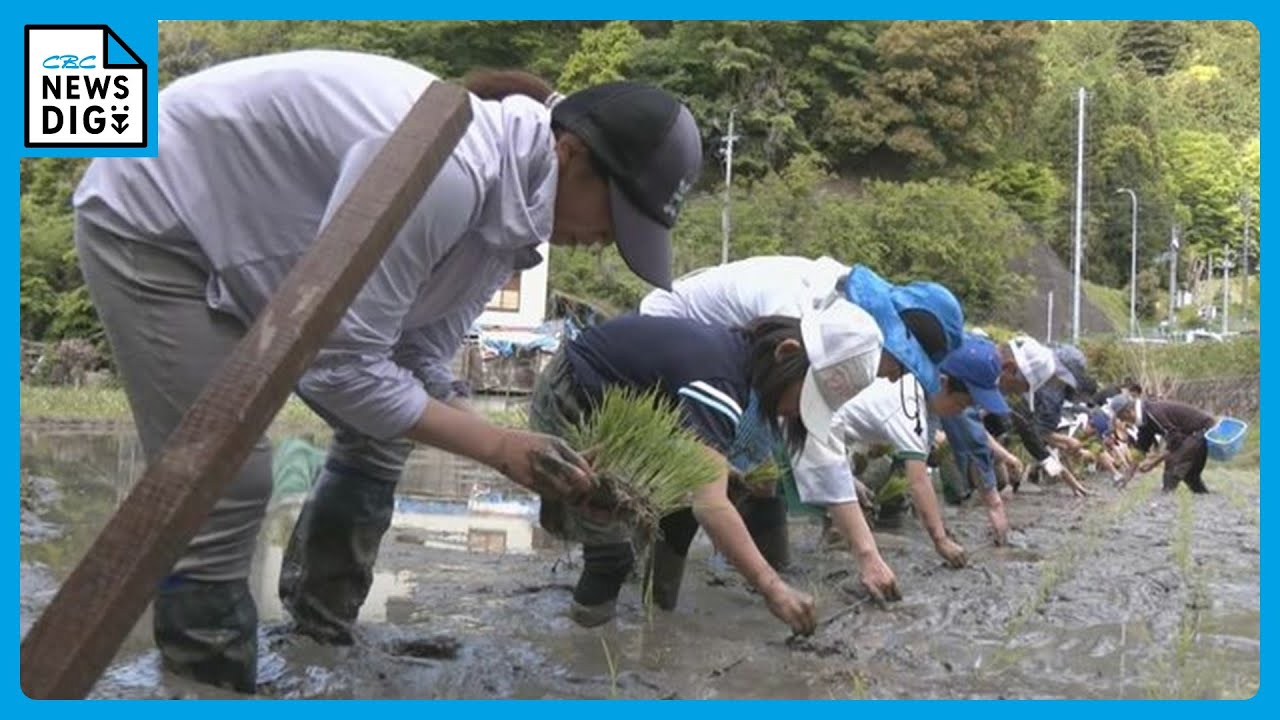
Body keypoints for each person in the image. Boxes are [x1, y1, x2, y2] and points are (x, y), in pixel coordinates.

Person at [71, 50, 704, 693]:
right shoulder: (455, 173)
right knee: (222, 478)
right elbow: (340, 366)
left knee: (381, 433)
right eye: (616, 217)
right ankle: (204, 683)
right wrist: (500, 447)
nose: (607, 241)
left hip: (265, 258)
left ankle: (320, 635)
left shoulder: (508, 215)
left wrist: (532, 454)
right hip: (162, 216)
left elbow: (416, 361)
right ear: (570, 153)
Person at [528, 298, 884, 633]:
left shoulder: (739, 365)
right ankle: (582, 658)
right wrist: (772, 587)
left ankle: (657, 619)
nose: (796, 413)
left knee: (682, 508)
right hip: (574, 400)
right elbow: (711, 506)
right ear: (786, 354)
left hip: (628, 411)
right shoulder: (720, 379)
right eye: (805, 400)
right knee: (612, 550)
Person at [639, 256, 966, 597]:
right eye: (903, 365)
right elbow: (813, 442)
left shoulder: (843, 318)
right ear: (891, 340)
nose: (895, 377)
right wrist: (868, 555)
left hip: (726, 364)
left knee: (762, 474)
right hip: (670, 338)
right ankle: (659, 597)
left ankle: (768, 573)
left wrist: (846, 486)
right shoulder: (807, 315)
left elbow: (815, 425)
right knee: (702, 475)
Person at [826, 335, 1011, 567]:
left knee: (855, 508)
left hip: (837, 440)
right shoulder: (907, 403)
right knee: (847, 532)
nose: (959, 413)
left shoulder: (926, 397)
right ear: (944, 383)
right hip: (815, 438)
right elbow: (919, 481)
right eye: (961, 405)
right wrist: (941, 540)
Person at [1113, 396, 1217, 493]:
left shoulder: (1153, 414)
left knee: (1174, 462)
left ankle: (1167, 495)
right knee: (1190, 475)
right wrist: (1127, 476)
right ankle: (1202, 494)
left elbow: (1176, 442)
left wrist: (1154, 462)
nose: (1122, 421)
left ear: (1129, 411)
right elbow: (1141, 448)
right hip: (1189, 434)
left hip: (1203, 429)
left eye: (1121, 417)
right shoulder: (1144, 421)